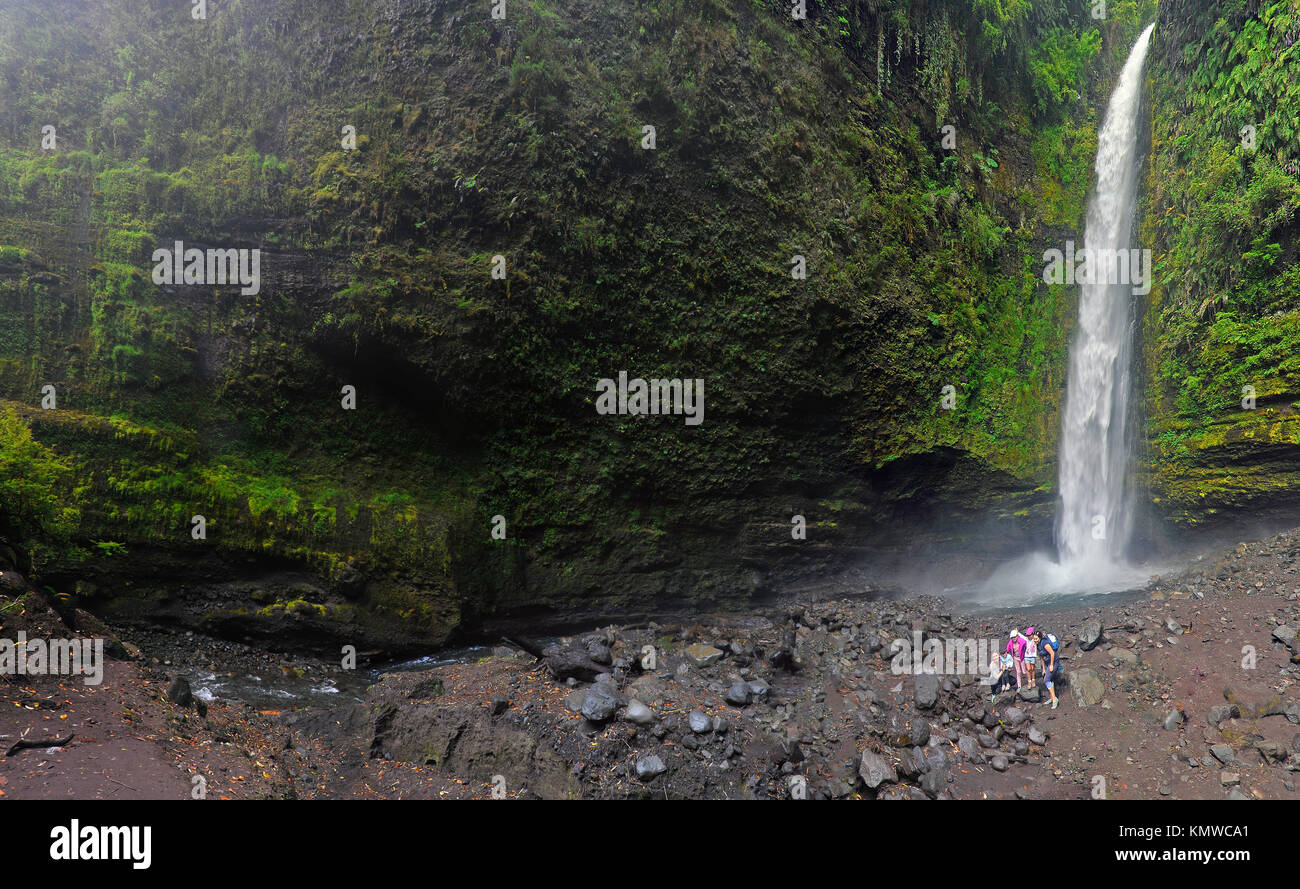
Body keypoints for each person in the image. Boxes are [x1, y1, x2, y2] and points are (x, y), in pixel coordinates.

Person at [1036, 629, 1061, 709]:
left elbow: (1052, 653)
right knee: (1049, 679)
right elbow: (1041, 657)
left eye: (1036, 639)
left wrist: (1051, 665)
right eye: (1034, 639)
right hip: (1046, 662)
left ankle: (1054, 700)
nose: (1035, 640)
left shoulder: (1045, 643)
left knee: (1046, 679)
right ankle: (1052, 697)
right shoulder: (1038, 645)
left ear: (1040, 638)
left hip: (1053, 662)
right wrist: (1043, 668)